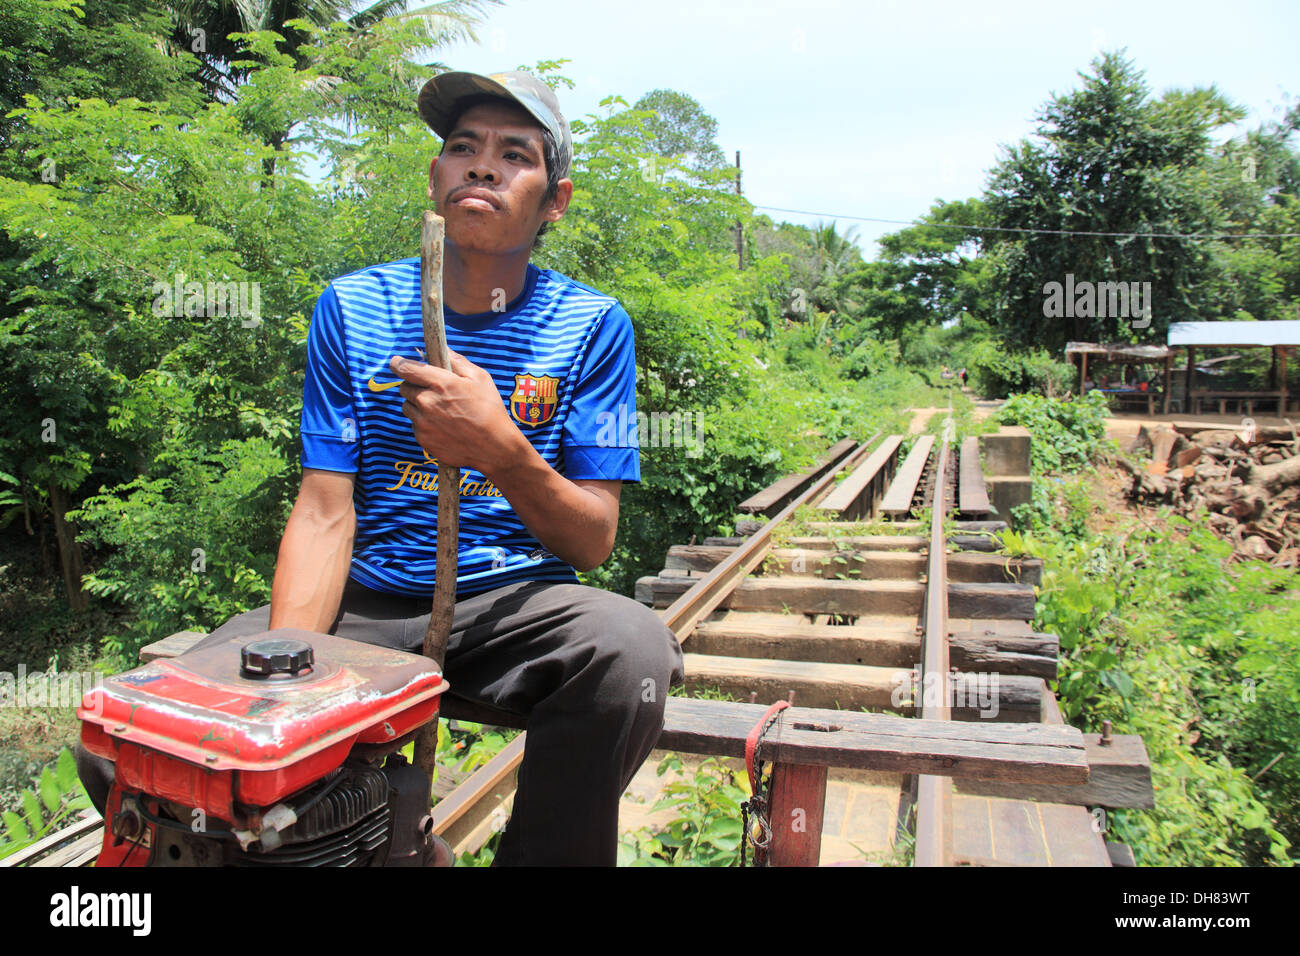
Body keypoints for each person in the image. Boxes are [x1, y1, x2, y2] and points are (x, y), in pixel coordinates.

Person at [76, 70, 686, 867]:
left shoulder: (592, 325)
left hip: (513, 607)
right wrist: (288, 669)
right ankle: (361, 844)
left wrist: (498, 446)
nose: (482, 166)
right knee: (129, 737)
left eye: (514, 155)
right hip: (363, 605)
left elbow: (593, 540)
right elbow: (326, 508)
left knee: (630, 652)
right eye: (462, 148)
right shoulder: (354, 307)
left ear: (554, 201)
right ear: (435, 179)